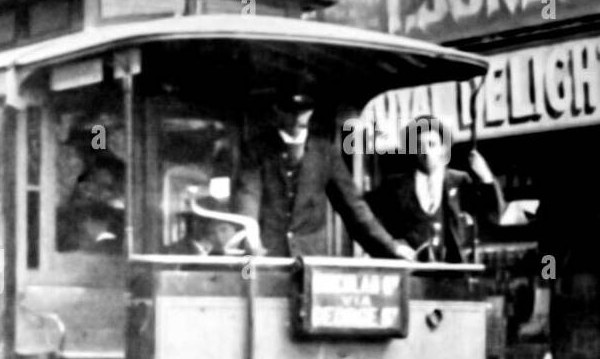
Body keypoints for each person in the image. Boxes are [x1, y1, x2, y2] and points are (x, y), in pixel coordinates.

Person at [234, 85, 416, 260]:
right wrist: (251, 238)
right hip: (263, 257)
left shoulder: (326, 152)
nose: (297, 117)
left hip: (312, 262)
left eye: (303, 110)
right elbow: (248, 195)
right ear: (277, 111)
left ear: (311, 112)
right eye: (290, 110)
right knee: (246, 281)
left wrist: (391, 247)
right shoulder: (256, 150)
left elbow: (353, 207)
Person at [367, 115, 505, 264]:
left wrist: (486, 177)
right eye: (419, 145)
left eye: (432, 144)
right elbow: (368, 220)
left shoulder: (459, 181)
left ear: (442, 148)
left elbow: (492, 216)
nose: (426, 152)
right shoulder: (395, 186)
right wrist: (393, 245)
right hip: (409, 272)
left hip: (454, 271)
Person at [165, 197, 244, 255]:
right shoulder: (175, 253)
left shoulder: (221, 252)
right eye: (223, 229)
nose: (231, 234)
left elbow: (246, 275)